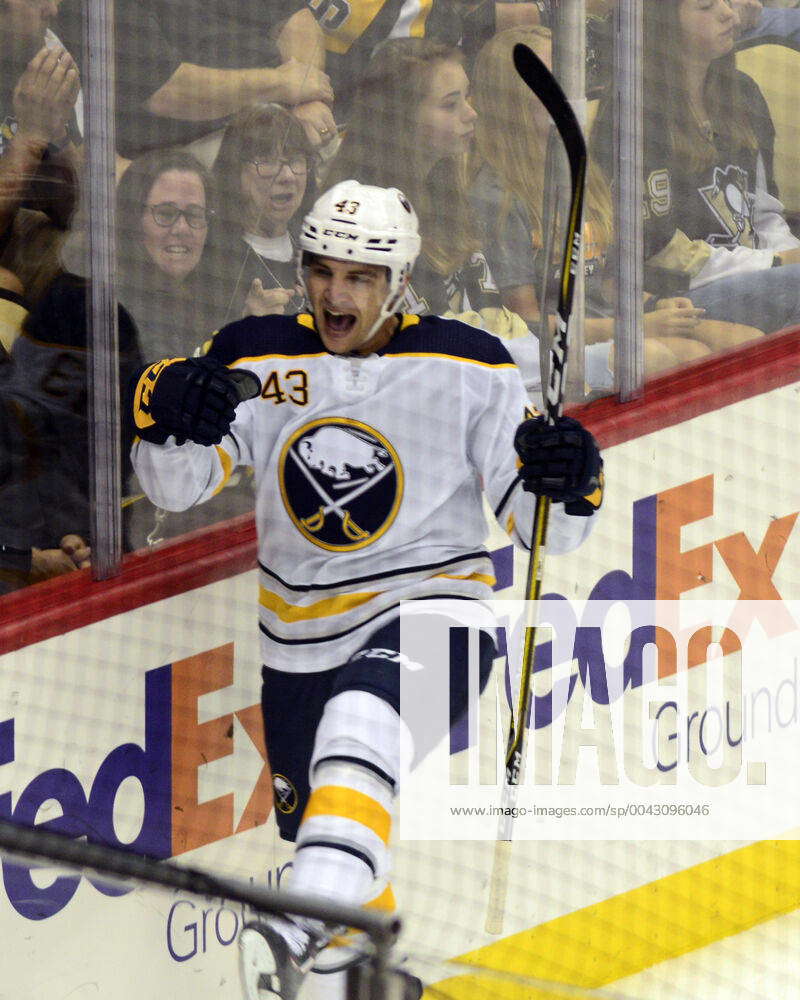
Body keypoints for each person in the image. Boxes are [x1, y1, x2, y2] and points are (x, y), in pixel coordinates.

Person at [127, 180, 603, 1000]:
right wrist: (163, 415)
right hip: (299, 644)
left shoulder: (469, 363)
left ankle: (289, 922)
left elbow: (545, 532)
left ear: (401, 283)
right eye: (322, 271)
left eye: (360, 277)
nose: (334, 294)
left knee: (359, 726)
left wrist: (575, 480)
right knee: (343, 856)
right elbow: (175, 488)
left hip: (435, 615)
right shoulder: (255, 352)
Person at [469, 27, 761, 389]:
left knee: (749, 343)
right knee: (691, 358)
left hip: (616, 322)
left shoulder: (579, 165)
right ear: (509, 98)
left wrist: (655, 306)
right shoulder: (497, 194)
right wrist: (628, 327)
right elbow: (524, 316)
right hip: (566, 347)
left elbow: (606, 282)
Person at [609, 0, 800, 334]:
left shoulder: (743, 91)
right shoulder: (634, 111)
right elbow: (659, 253)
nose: (728, 13)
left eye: (726, 1)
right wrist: (776, 264)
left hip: (763, 273)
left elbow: (764, 213)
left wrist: (787, 255)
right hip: (680, 297)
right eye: (706, 6)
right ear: (665, 25)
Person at [324, 38, 519, 336]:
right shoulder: (358, 223)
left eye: (468, 97)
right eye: (450, 104)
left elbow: (495, 322)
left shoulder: (445, 192)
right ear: (401, 118)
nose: (471, 114)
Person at [114, 149, 256, 549]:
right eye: (165, 214)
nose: (182, 229)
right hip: (136, 515)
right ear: (133, 219)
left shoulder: (215, 296)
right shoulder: (104, 309)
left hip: (212, 501)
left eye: (195, 216)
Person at [1, 0, 81, 306]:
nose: (53, 9)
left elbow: (83, 209)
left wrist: (57, 132)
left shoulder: (36, 61)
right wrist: (32, 136)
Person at [207, 104, 315, 328]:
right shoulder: (212, 261)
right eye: (267, 161)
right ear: (234, 171)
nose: (286, 176)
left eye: (295, 160)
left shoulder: (319, 248)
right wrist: (246, 328)